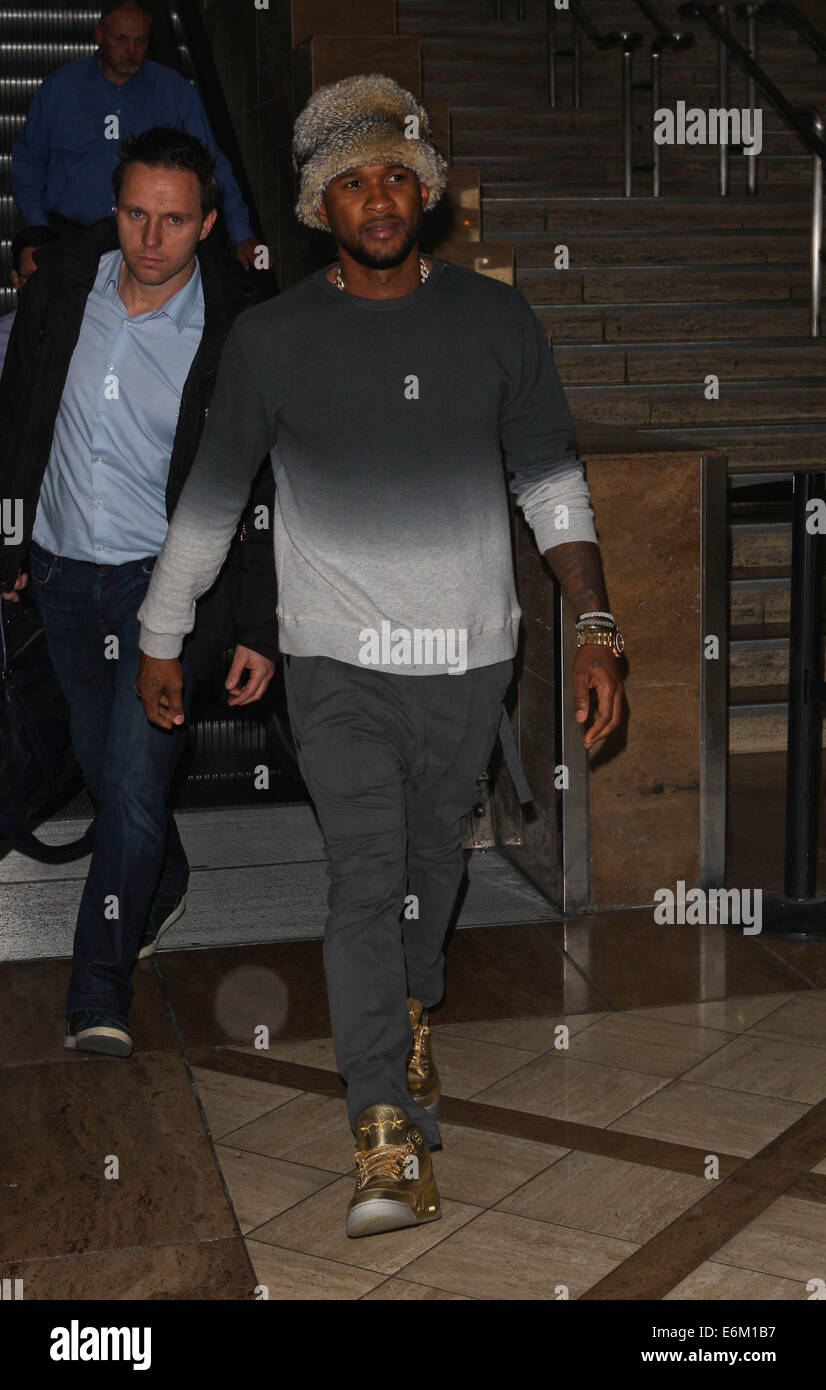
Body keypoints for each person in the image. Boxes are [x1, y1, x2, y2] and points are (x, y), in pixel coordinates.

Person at [134, 75, 625, 1238]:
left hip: (467, 661)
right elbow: (211, 501)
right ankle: (383, 1129)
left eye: (395, 173)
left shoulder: (496, 323)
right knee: (362, 873)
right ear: (319, 205)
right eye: (350, 180)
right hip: (337, 663)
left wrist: (596, 621)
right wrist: (162, 632)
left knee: (430, 868)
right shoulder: (272, 338)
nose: (378, 196)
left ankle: (408, 1003)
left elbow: (552, 481)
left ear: (426, 192)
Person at [0, 126, 278, 1057]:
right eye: (133, 213)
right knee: (108, 766)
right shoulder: (64, 287)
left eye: (171, 220)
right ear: (113, 206)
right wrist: (9, 545)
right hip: (63, 576)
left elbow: (265, 482)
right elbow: (17, 419)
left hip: (167, 593)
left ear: (206, 224)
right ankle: (158, 876)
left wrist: (253, 619)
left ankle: (97, 993)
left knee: (125, 781)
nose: (148, 238)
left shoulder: (241, 323)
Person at [11, 0, 261, 270]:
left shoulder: (174, 91)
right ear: (99, 36)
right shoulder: (61, 88)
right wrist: (37, 231)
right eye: (121, 40)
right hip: (72, 236)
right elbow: (28, 161)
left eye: (141, 41)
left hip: (151, 238)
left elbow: (211, 164)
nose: (131, 51)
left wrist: (241, 232)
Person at [0, 226, 59, 378]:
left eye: (48, 276)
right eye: (32, 278)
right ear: (16, 279)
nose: (41, 286)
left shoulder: (85, 330)